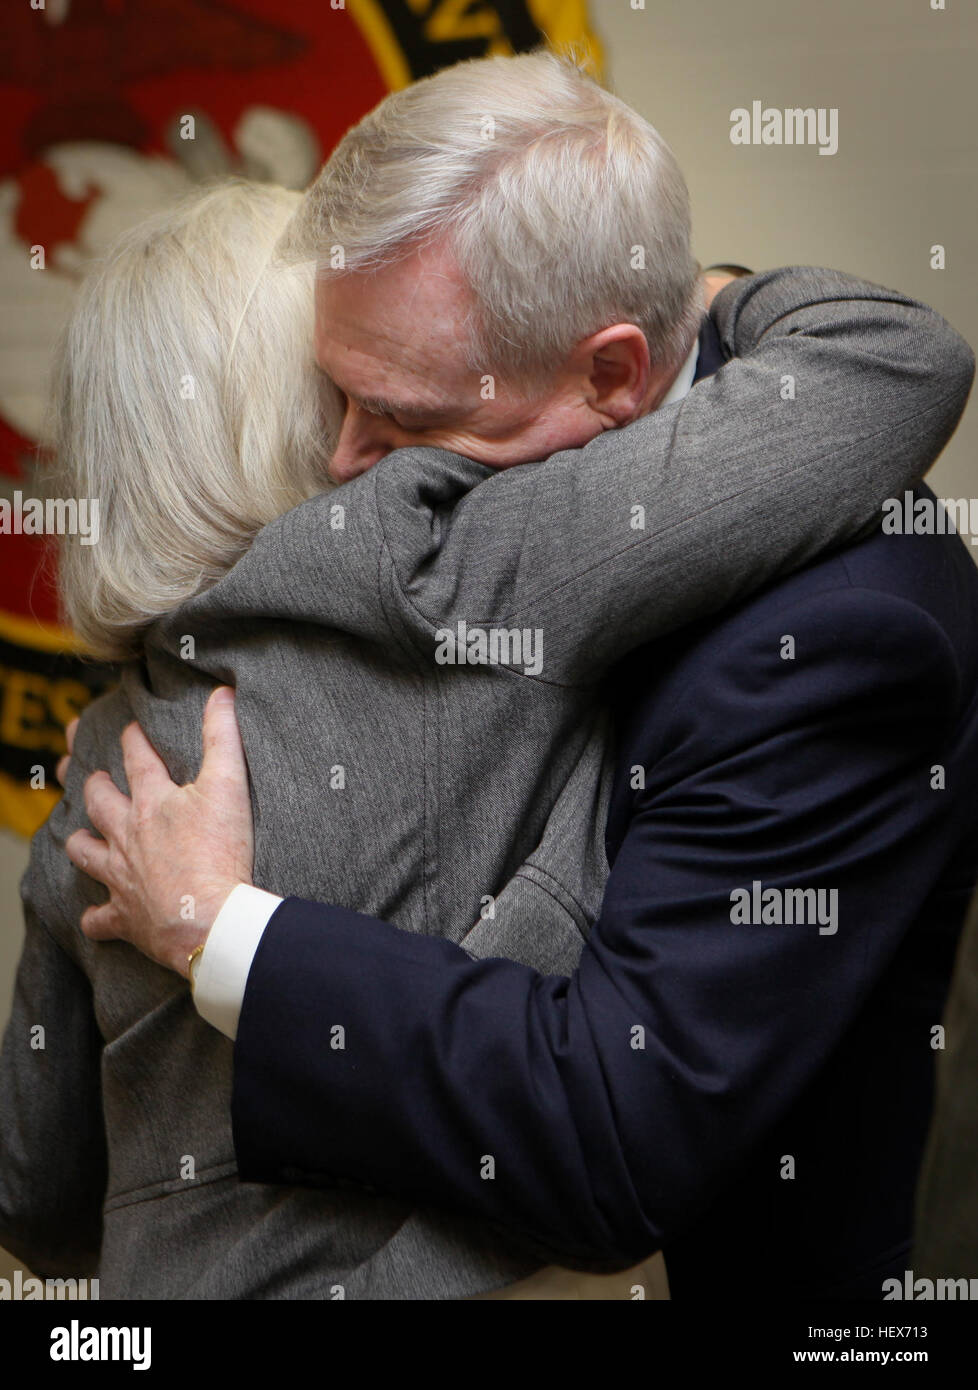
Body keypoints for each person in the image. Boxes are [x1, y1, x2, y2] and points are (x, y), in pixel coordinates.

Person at [49, 52, 977, 1300]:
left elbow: (611, 1125)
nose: (345, 469)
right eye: (332, 395)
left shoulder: (843, 628)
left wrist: (225, 935)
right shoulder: (537, 496)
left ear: (610, 375)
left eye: (407, 419)